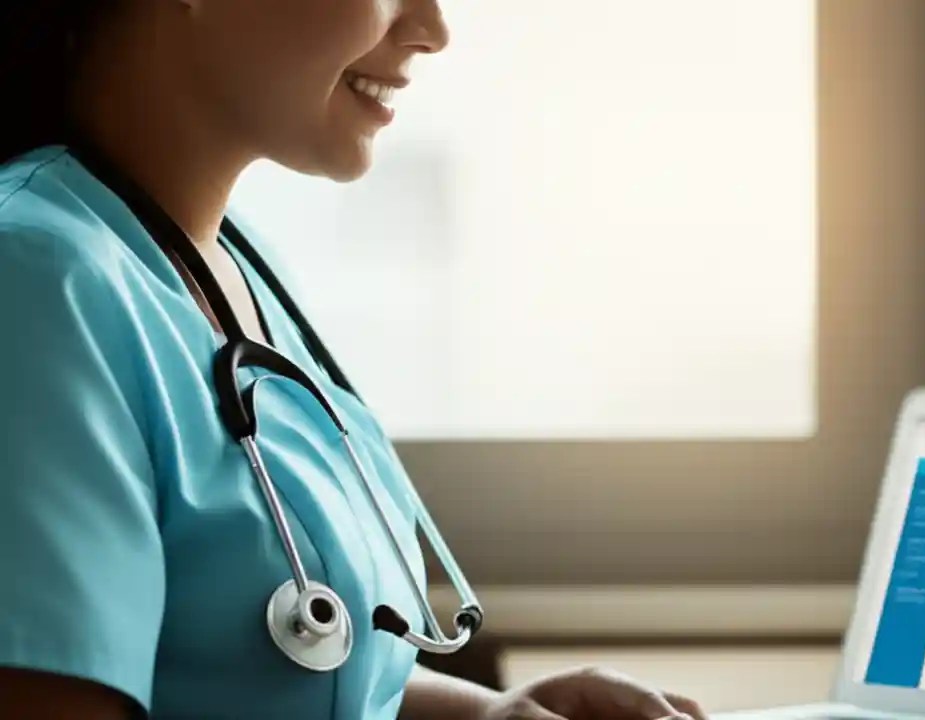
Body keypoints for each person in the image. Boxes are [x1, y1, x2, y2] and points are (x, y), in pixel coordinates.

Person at [0, 1, 708, 718]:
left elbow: (267, 672)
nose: (432, 30)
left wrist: (484, 714)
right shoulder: (34, 280)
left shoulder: (234, 260)